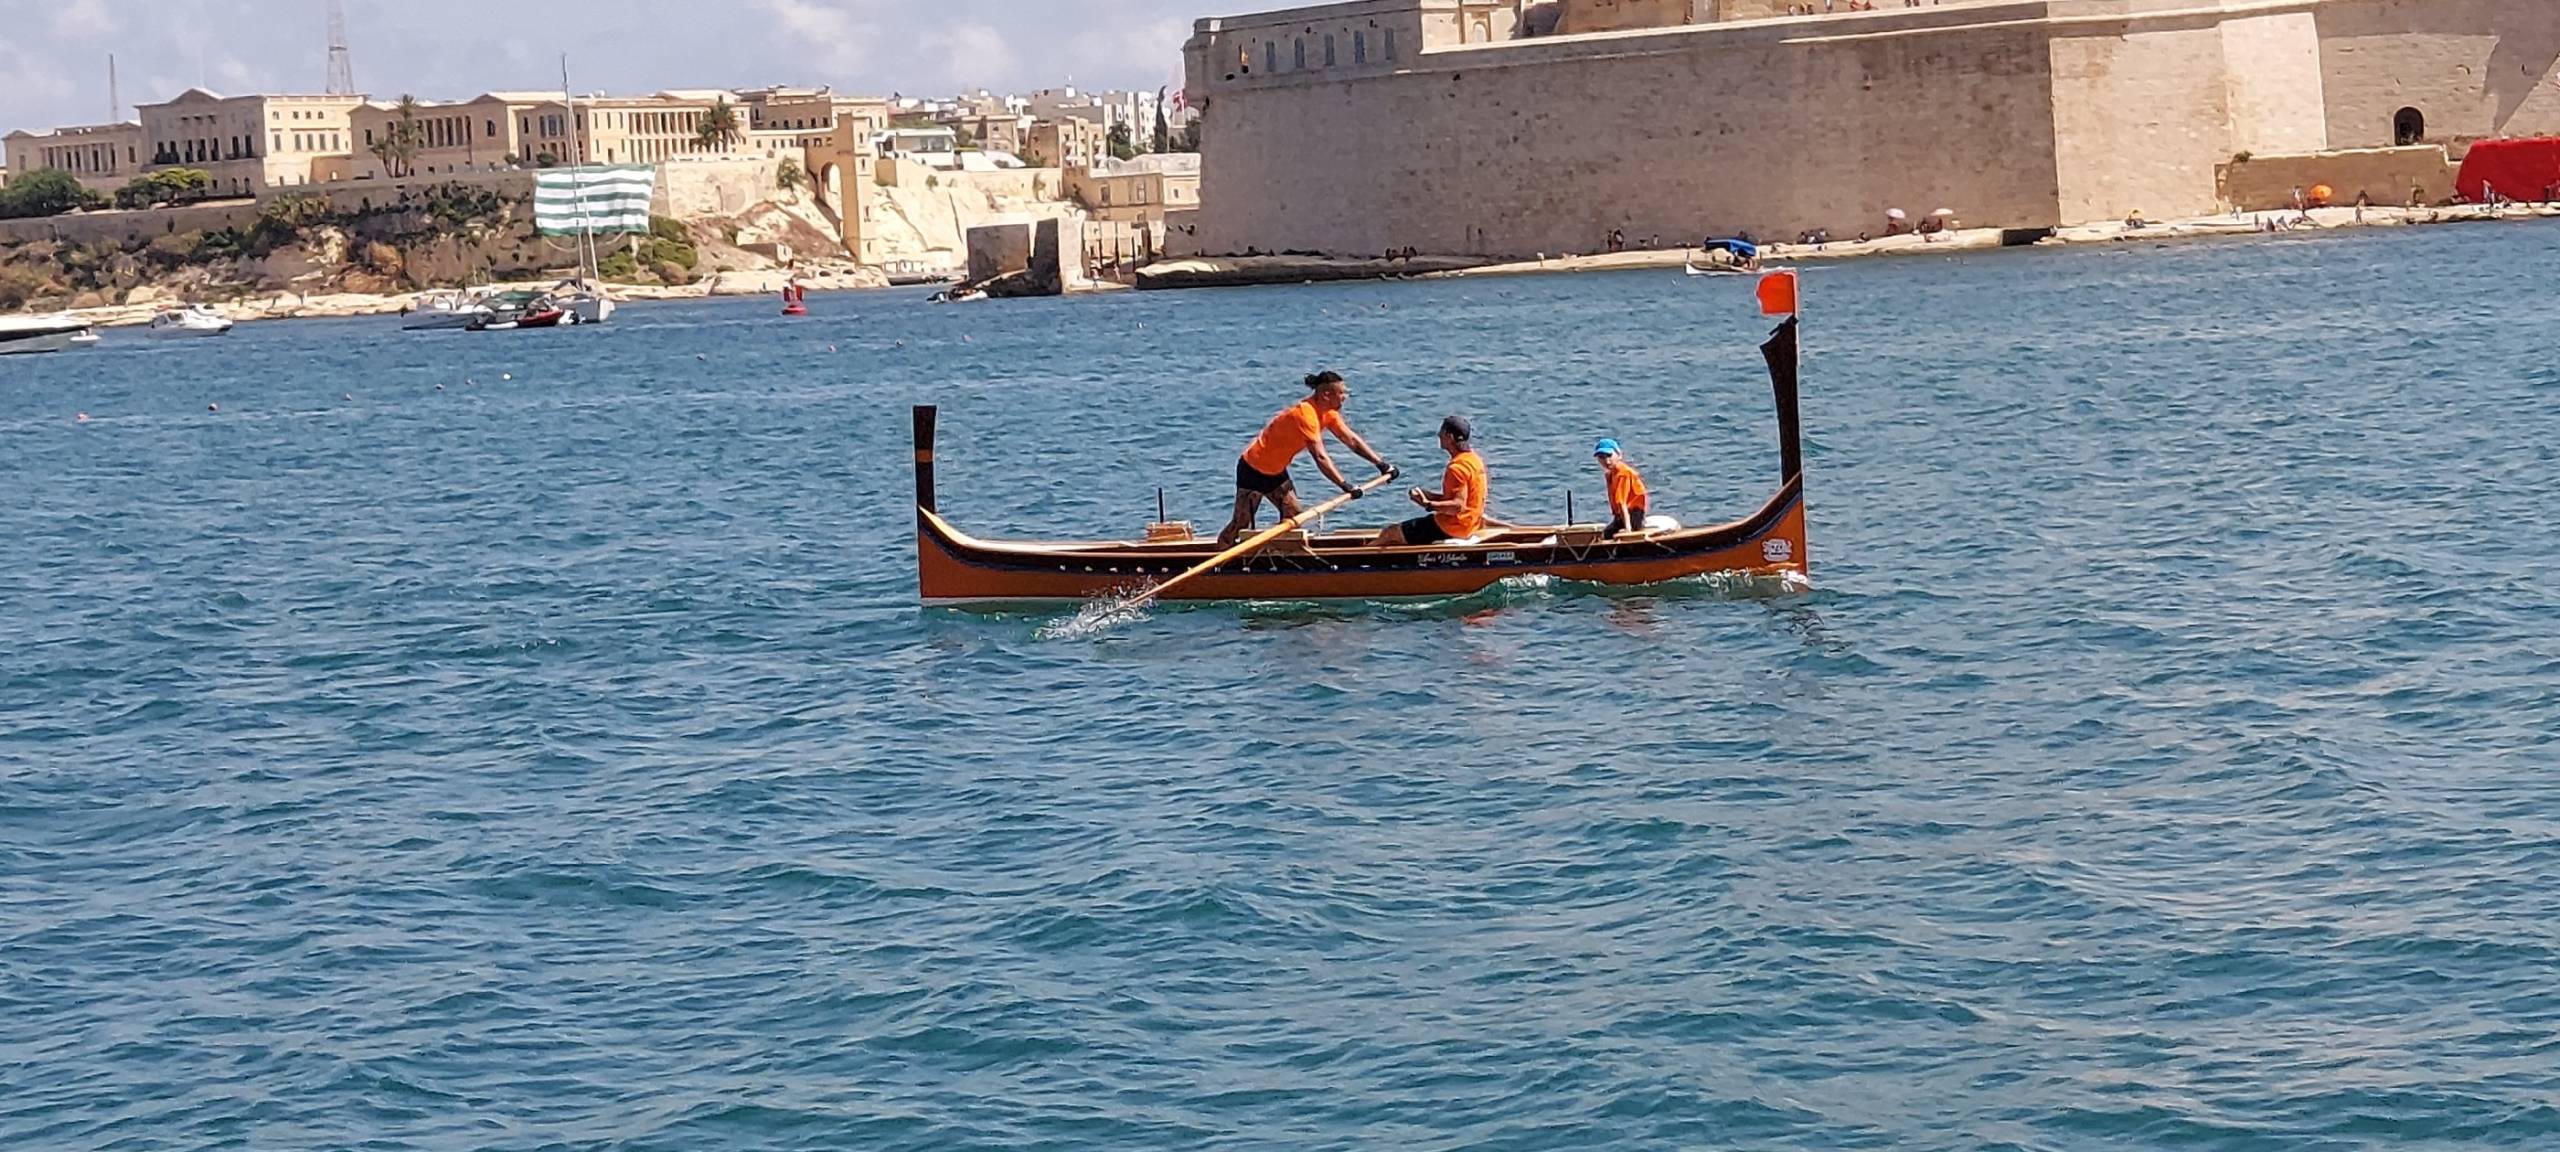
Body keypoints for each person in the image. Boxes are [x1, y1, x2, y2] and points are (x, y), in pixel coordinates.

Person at [1220, 371, 1392, 545]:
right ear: (1326, 395)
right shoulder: (1305, 415)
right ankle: (1218, 560)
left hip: (1276, 473)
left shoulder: (1329, 413)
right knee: (1241, 523)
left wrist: (1381, 463)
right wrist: (1344, 484)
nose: (1345, 397)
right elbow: (1320, 457)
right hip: (1252, 469)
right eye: (1341, 393)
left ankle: (1279, 557)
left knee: (1294, 515)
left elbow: (1352, 440)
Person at [1375, 416, 1487, 547]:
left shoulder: (1456, 468)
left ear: (1449, 437)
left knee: (1390, 533)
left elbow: (1457, 506)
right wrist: (1430, 495)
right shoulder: (1474, 460)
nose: (1438, 435)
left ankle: (1361, 559)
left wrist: (1427, 504)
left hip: (1452, 528)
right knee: (1397, 533)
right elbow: (1460, 500)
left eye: (1442, 432)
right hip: (1469, 525)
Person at [1594, 439, 1650, 538]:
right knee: (1606, 534)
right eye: (1602, 457)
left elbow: (1621, 502)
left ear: (1619, 455)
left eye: (1609, 456)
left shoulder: (1623, 473)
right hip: (1621, 514)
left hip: (1633, 513)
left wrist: (1628, 529)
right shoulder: (1610, 474)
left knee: (1610, 535)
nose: (1607, 461)